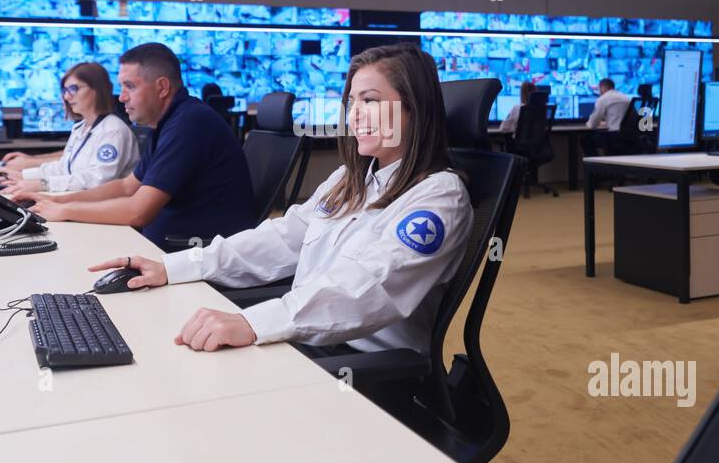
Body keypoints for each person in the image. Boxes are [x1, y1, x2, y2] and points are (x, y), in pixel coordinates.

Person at [88, 42, 473, 357]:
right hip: (306, 338)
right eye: (351, 102)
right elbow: (283, 238)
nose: (355, 115)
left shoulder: (438, 198)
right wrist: (175, 267)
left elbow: (367, 290)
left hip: (364, 366)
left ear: (413, 107)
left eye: (370, 100)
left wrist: (255, 323)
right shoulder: (351, 179)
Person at [26, 43, 256, 248]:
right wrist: (58, 201)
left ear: (162, 87)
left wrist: (66, 211)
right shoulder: (169, 123)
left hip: (189, 255)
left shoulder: (189, 123)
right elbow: (127, 187)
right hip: (159, 247)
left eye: (130, 86)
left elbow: (138, 211)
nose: (122, 97)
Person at [0, 62, 138, 196]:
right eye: (65, 90)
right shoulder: (80, 128)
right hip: (77, 201)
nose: (67, 96)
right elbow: (64, 167)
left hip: (104, 209)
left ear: (97, 89)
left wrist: (43, 184)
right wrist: (23, 176)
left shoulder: (113, 131)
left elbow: (97, 180)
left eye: (74, 89)